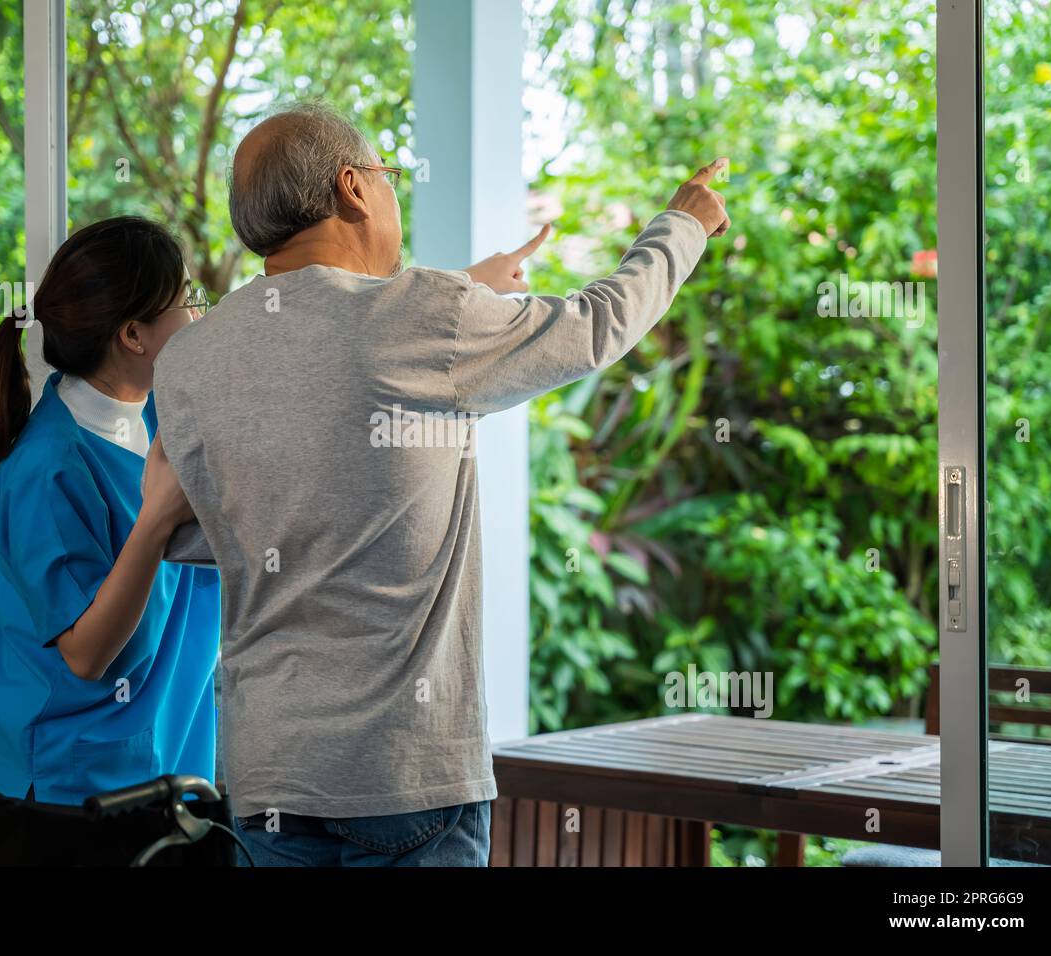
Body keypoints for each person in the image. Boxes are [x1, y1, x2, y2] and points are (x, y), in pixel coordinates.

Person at [154, 103, 730, 865]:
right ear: (353, 187)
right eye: (389, 177)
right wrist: (681, 222)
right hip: (406, 783)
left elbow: (194, 532)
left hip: (270, 783)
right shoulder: (423, 315)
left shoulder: (192, 359)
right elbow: (598, 325)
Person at [0, 215, 221, 806]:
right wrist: (156, 519)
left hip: (163, 746)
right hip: (67, 777)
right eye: (190, 302)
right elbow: (84, 653)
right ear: (134, 336)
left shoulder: (161, 415)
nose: (201, 318)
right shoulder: (47, 467)